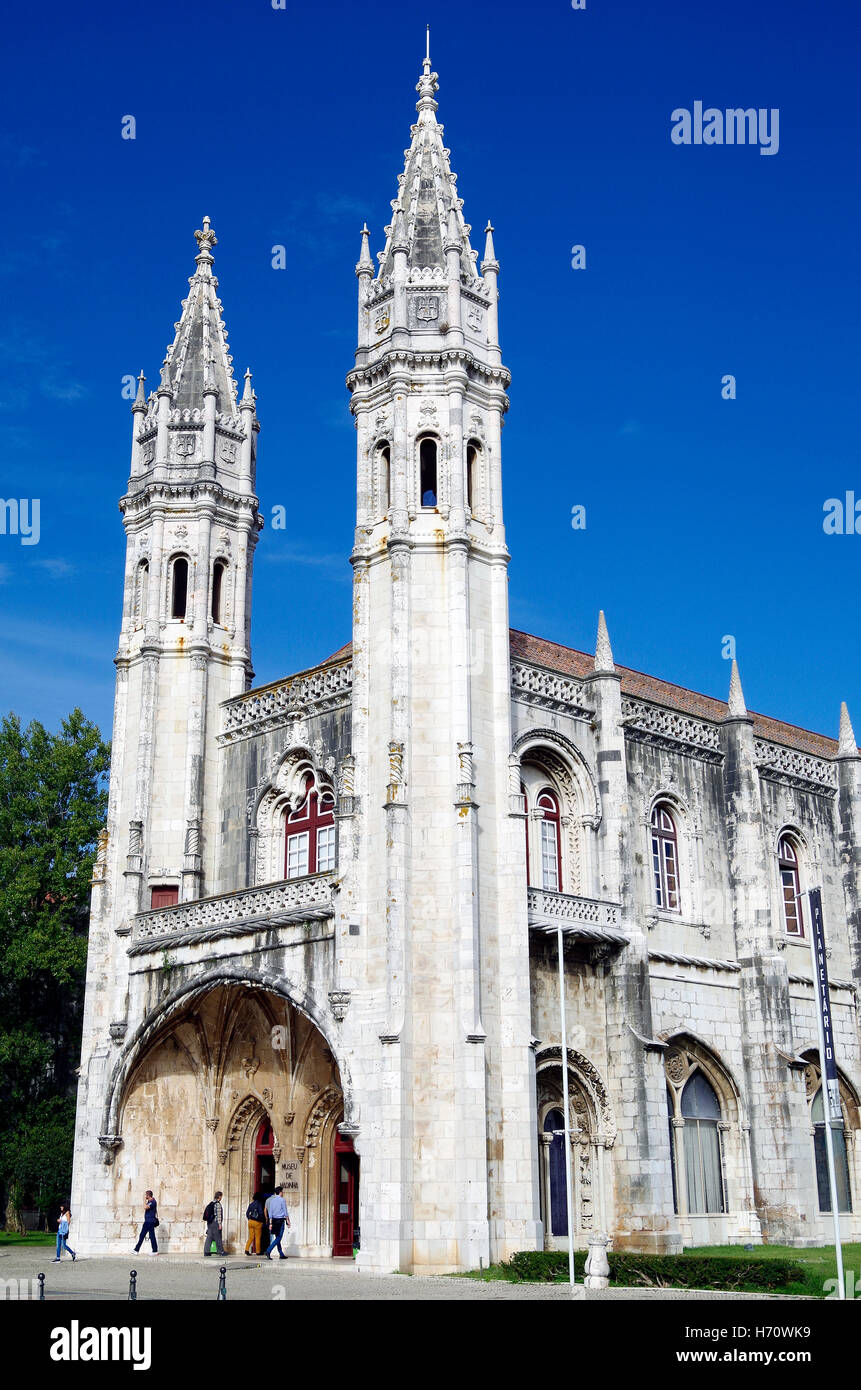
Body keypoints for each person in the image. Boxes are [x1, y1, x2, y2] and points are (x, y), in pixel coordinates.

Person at [264, 1185, 291, 1260]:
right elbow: (285, 1212)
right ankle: (268, 1250)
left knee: (277, 1237)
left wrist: (270, 1223)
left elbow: (270, 1213)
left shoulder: (272, 1200)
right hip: (280, 1221)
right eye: (282, 1191)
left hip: (274, 1221)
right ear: (280, 1192)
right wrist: (288, 1221)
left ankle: (281, 1253)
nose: (283, 1193)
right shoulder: (282, 1200)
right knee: (279, 1238)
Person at [203, 1190, 225, 1256]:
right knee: (217, 1236)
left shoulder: (211, 1203)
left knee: (209, 1237)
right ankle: (220, 1251)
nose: (221, 1198)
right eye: (221, 1196)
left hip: (209, 1222)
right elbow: (219, 1215)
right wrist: (220, 1224)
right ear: (219, 1196)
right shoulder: (217, 1204)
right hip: (215, 1223)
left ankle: (206, 1251)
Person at [245, 1190, 265, 1256]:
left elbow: (247, 1213)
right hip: (257, 1222)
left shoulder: (251, 1204)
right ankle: (258, 1251)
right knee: (257, 1237)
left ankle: (246, 1249)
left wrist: (249, 1219)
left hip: (250, 1222)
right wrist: (262, 1220)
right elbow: (261, 1213)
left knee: (251, 1237)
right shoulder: (259, 1204)